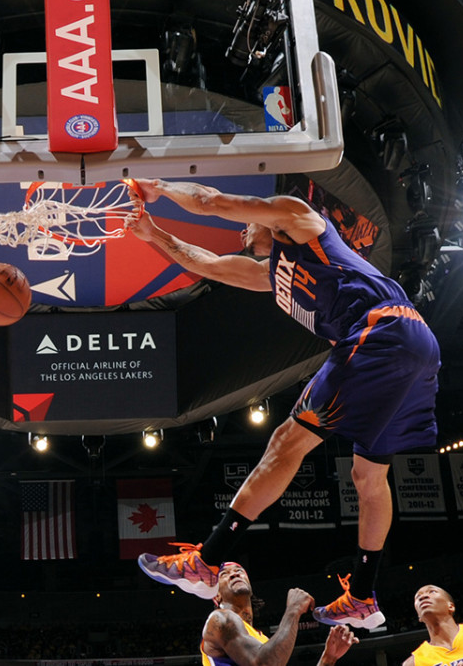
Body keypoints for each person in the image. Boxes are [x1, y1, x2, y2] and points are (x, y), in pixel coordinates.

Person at [130, 179, 441, 629]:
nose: (240, 232)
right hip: (415, 348)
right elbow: (211, 265)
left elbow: (212, 201)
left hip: (380, 333)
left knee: (285, 443)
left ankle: (209, 559)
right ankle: (363, 595)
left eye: (246, 223)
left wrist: (159, 186)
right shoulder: (268, 274)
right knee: (368, 475)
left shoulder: (299, 219)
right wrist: (153, 234)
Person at [203, 561, 358, 666]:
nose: (234, 574)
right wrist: (293, 610)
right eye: (224, 574)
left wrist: (327, 659)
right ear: (216, 595)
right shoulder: (219, 619)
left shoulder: (263, 641)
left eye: (239, 571)